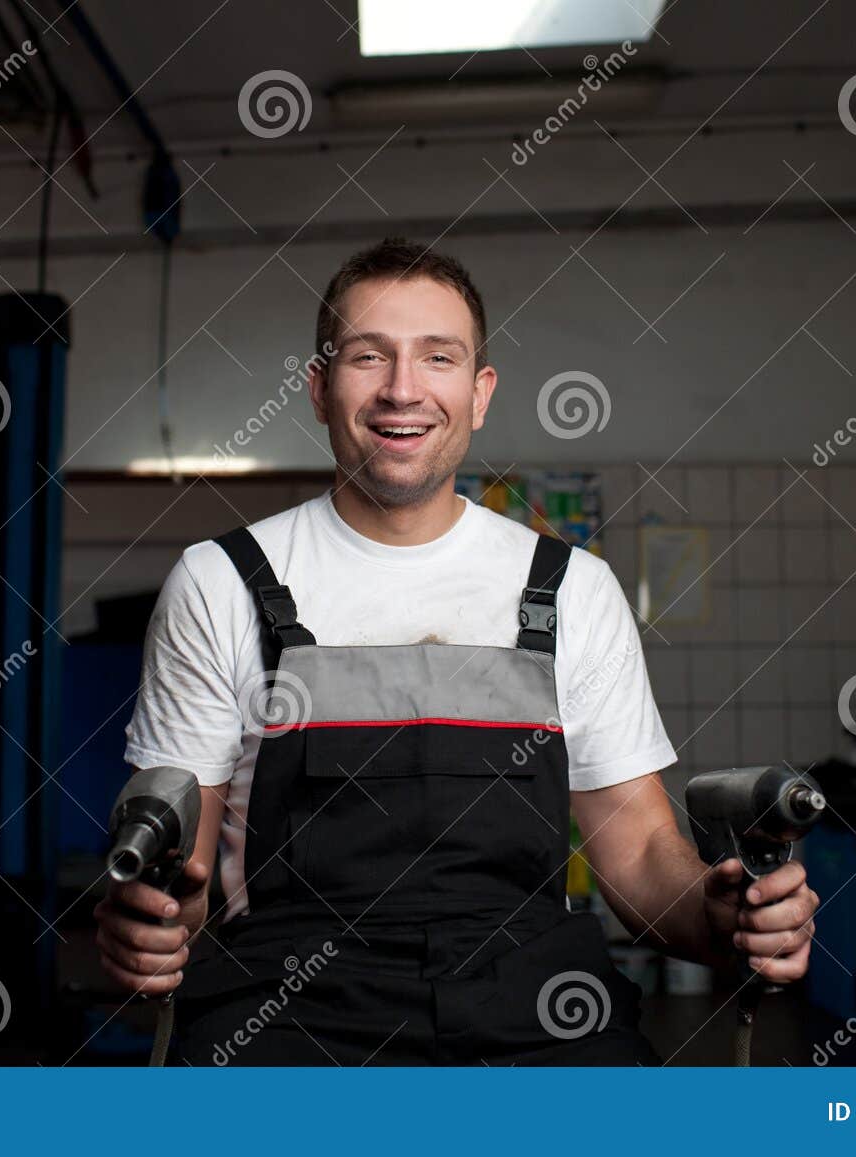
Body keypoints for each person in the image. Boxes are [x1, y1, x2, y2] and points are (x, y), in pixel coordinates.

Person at [95, 237, 817, 1065]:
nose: (404, 389)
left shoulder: (568, 589)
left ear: (478, 394)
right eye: (369, 356)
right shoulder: (221, 582)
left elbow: (643, 852)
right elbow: (181, 865)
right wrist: (150, 921)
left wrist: (723, 915)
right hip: (287, 1014)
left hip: (534, 1012)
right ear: (319, 387)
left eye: (437, 358)